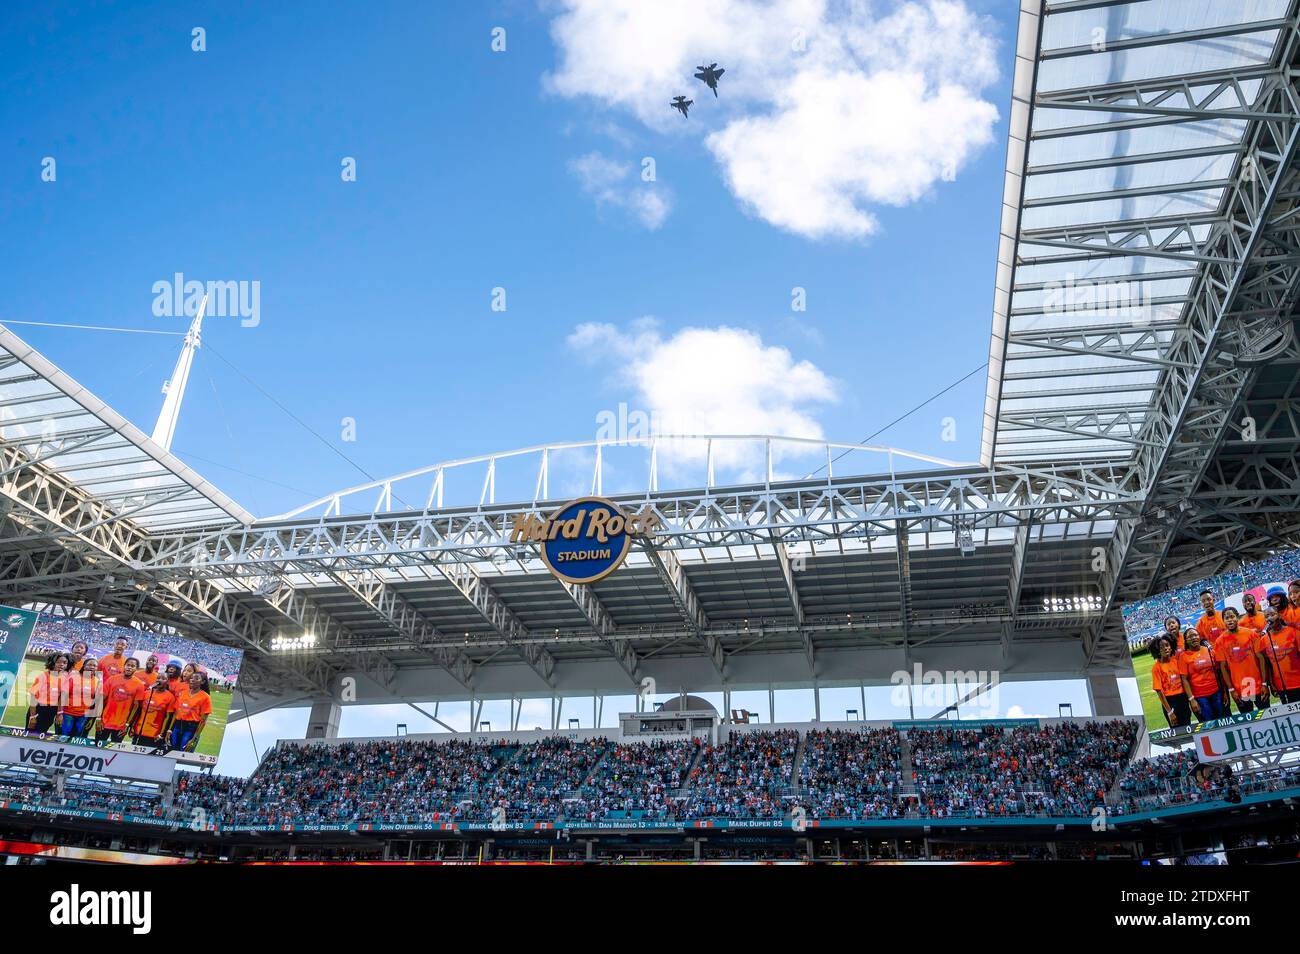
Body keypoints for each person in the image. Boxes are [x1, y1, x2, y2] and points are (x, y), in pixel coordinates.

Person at [1215, 607, 1269, 714]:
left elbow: (1261, 658)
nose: (1230, 620)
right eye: (1226, 618)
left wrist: (1264, 683)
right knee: (1248, 719)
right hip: (1240, 686)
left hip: (1257, 683)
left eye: (1232, 617)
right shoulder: (1220, 641)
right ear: (1223, 621)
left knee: (1266, 715)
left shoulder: (1251, 634)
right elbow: (1223, 667)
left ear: (1237, 618)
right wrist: (1231, 689)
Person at [1178, 628, 1227, 722]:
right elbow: (1184, 679)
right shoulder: (1183, 656)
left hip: (1216, 692)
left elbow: (1219, 672)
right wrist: (1192, 699)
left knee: (1221, 721)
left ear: (1199, 637)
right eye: (1190, 636)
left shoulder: (1209, 651)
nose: (1194, 638)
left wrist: (1224, 691)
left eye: (1195, 635)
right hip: (1200, 697)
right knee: (1209, 723)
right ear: (1186, 640)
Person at [1255, 607, 1300, 705]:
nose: (1270, 618)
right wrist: (1271, 684)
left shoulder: (1293, 632)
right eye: (1267, 616)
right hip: (1281, 686)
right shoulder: (1264, 640)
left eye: (1272, 614)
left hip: (1298, 682)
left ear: (1279, 615)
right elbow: (1267, 665)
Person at [97, 661, 145, 745]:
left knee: (114, 749)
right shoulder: (112, 679)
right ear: (124, 666)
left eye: (133, 666)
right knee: (97, 745)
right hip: (104, 721)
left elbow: (136, 706)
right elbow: (102, 699)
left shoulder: (139, 685)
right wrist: (98, 718)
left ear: (136, 669)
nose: (129, 667)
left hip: (121, 725)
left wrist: (127, 724)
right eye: (128, 665)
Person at [129, 672, 177, 751]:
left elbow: (168, 717)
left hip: (154, 734)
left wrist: (161, 734)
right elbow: (138, 712)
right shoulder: (147, 693)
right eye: (158, 678)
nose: (160, 680)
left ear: (168, 681)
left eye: (163, 679)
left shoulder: (170, 697)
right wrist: (132, 726)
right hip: (139, 731)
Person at [1150, 635, 1190, 728]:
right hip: (1170, 701)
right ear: (1157, 650)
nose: (1165, 648)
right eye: (1161, 647)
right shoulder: (1156, 668)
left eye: (1167, 645)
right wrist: (1170, 712)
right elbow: (1159, 691)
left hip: (1183, 699)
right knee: (1177, 731)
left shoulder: (1176, 661)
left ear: (1171, 647)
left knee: (1187, 727)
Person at [26, 652, 69, 734]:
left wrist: (59, 713)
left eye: (64, 663)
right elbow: (33, 696)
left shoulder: (64, 678)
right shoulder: (43, 676)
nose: (61, 665)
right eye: (58, 662)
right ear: (52, 662)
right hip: (39, 709)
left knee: (42, 733)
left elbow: (61, 697)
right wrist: (32, 716)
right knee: (30, 734)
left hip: (52, 710)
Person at [171, 671, 212, 753]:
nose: (192, 680)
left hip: (190, 729)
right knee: (171, 752)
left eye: (196, 678)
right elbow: (176, 713)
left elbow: (203, 721)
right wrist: (170, 730)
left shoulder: (205, 697)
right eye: (192, 678)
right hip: (177, 727)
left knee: (184, 753)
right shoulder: (182, 693)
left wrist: (194, 739)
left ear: (203, 682)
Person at [60, 656, 100, 738]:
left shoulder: (97, 682)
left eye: (94, 666)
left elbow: (97, 702)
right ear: (84, 666)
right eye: (89, 665)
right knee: (64, 737)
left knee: (76, 738)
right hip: (68, 713)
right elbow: (63, 695)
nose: (92, 667)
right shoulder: (74, 677)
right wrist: (59, 713)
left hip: (83, 716)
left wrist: (91, 718)